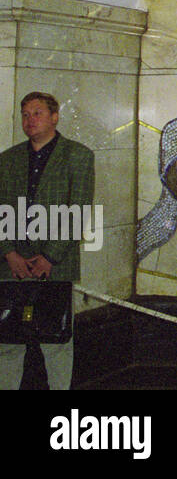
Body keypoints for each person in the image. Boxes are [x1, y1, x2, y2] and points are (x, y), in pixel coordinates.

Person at [0, 92, 95, 389]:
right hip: (12, 265)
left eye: (37, 113)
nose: (30, 120)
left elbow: (78, 210)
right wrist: (9, 253)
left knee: (56, 340)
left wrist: (50, 257)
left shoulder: (78, 155)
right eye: (25, 114)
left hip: (56, 264)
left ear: (55, 117)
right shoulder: (8, 159)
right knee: (9, 340)